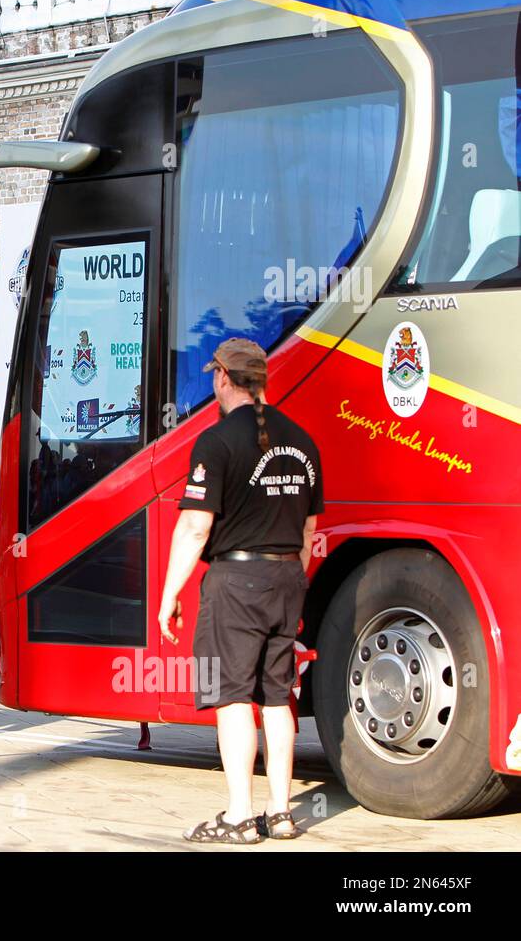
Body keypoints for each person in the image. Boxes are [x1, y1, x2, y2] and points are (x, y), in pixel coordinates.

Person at [157, 339, 323, 845]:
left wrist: (171, 593)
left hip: (236, 583)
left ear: (223, 379)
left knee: (232, 699)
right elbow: (308, 533)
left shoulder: (216, 441)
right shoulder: (303, 441)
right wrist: (291, 580)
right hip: (287, 579)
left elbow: (193, 529)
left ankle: (239, 816)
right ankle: (281, 813)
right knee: (277, 699)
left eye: (215, 376)